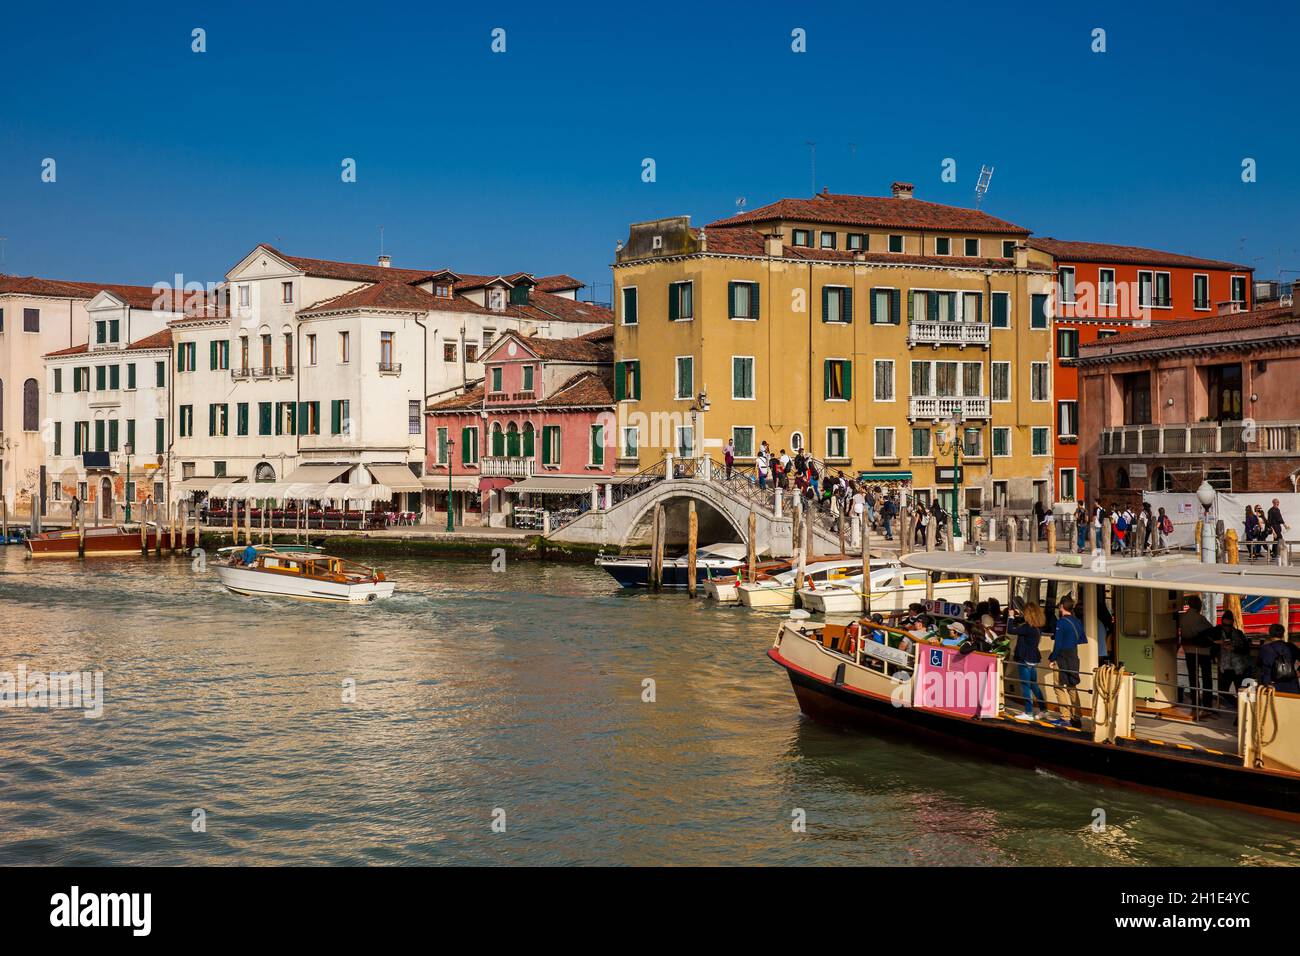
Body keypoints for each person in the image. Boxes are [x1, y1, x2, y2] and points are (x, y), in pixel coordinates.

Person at [1050, 596, 1087, 728]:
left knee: (1058, 687)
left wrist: (1052, 658)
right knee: (1072, 686)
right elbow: (1082, 639)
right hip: (1074, 656)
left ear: (1061, 607)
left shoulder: (1061, 622)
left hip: (1062, 658)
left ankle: (1065, 716)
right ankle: (1076, 716)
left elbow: (1058, 644)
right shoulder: (1077, 621)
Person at [1178, 595, 1217, 718]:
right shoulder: (1200, 619)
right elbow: (1211, 631)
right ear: (1198, 605)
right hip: (1203, 651)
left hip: (1188, 651)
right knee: (1207, 678)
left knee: (1193, 677)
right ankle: (1207, 704)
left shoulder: (1182, 617)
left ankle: (1195, 702)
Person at [1009, 601, 1046, 720]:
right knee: (1034, 685)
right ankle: (1043, 709)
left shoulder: (1026, 628)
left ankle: (1029, 712)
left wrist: (1010, 616)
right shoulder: (1037, 628)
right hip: (1033, 658)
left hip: (1024, 659)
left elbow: (1010, 630)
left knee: (1025, 686)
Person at [1215, 610, 1253, 712]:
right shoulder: (1217, 633)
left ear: (1232, 623)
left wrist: (1234, 648)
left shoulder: (1239, 634)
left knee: (1240, 691)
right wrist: (1218, 643)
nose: (1227, 628)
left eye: (1229, 625)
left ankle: (1240, 711)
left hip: (1238, 668)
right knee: (1222, 691)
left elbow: (1246, 650)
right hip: (1225, 667)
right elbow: (1207, 640)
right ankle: (1237, 704)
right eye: (1224, 625)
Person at [1259, 623, 1300, 694]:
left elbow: (1259, 664)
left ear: (1270, 634)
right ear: (1283, 634)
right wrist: (1299, 671)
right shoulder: (1291, 647)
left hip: (1270, 685)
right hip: (1291, 685)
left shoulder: (1264, 648)